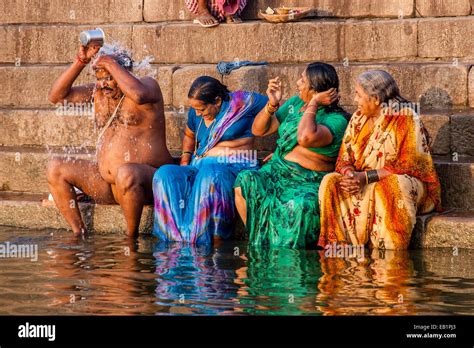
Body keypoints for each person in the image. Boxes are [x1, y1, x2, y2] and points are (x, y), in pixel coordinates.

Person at [46, 43, 173, 237]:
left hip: (144, 183)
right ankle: (78, 233)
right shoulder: (99, 94)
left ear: (124, 72)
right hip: (107, 186)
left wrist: (110, 63)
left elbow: (138, 95)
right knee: (55, 167)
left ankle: (131, 241)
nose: (103, 84)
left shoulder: (147, 86)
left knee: (126, 173)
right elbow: (57, 97)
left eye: (109, 78)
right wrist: (81, 62)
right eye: (99, 79)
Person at [318, 70, 441, 251]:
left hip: (402, 181)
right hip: (362, 180)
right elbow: (344, 158)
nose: (355, 100)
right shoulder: (357, 119)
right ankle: (342, 250)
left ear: (375, 99)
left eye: (359, 95)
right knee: (330, 181)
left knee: (393, 184)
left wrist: (366, 177)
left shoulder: (405, 117)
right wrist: (350, 175)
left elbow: (411, 164)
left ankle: (391, 255)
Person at [234, 62, 350, 248]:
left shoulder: (337, 120)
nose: (297, 83)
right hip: (277, 171)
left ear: (314, 89)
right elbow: (258, 130)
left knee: (299, 205)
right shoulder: (296, 103)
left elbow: (305, 137)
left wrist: (313, 103)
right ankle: (259, 242)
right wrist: (271, 105)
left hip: (307, 180)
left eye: (302, 80)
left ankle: (290, 260)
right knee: (245, 181)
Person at [152, 76, 267, 245]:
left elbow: (280, 111)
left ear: (218, 101)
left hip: (233, 165)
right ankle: (174, 241)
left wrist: (281, 150)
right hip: (198, 165)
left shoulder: (243, 104)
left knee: (209, 175)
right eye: (195, 109)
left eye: (202, 109)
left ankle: (206, 242)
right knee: (164, 174)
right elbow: (190, 135)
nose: (197, 113)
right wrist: (185, 158)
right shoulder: (196, 110)